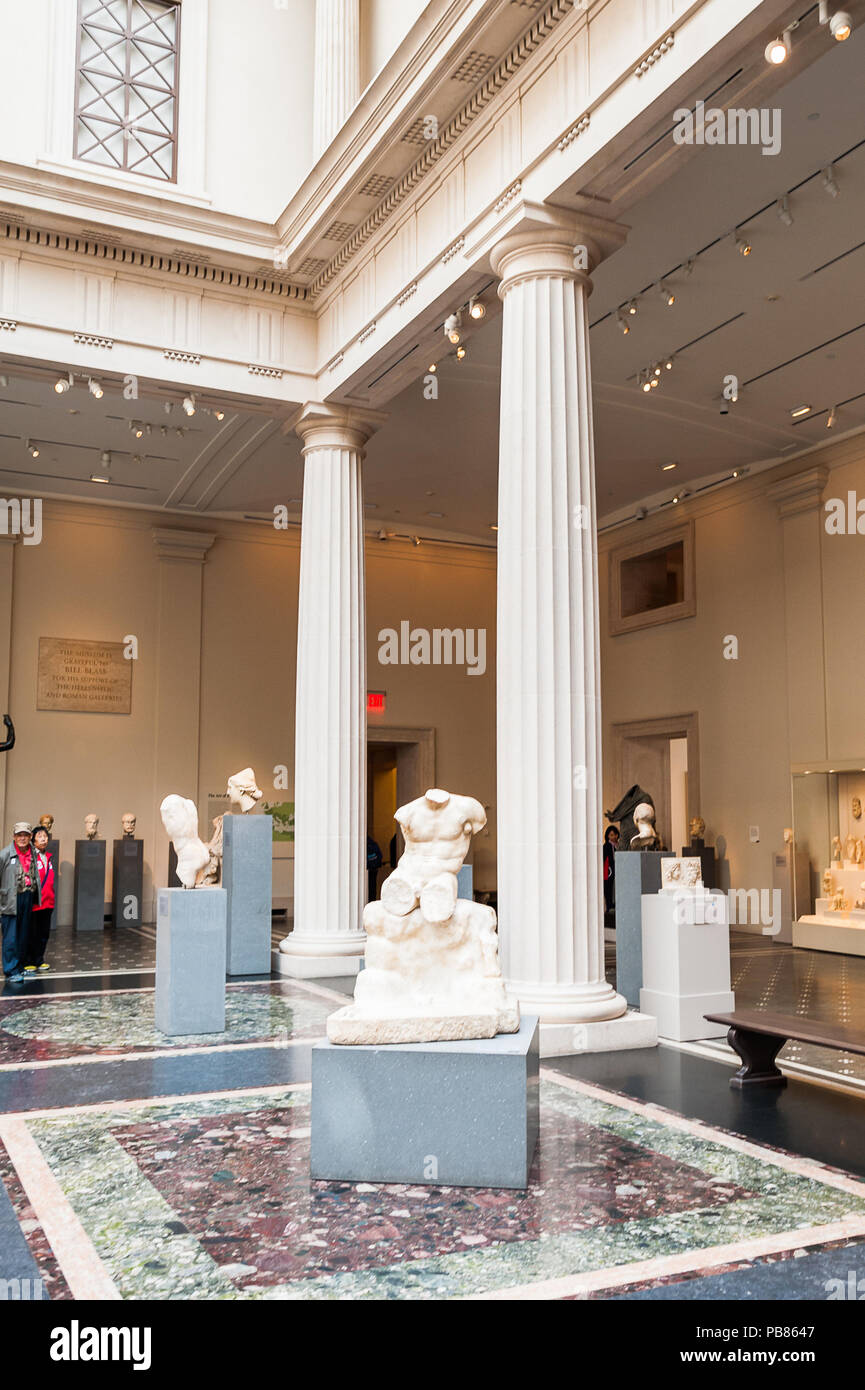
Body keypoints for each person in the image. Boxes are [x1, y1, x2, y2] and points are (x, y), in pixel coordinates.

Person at [0, 821, 42, 984]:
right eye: (19, 835)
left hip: (27, 896)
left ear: (30, 837)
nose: (22, 838)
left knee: (23, 935)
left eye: (25, 835)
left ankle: (20, 966)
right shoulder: (5, 855)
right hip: (10, 899)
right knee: (10, 937)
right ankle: (10, 970)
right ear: (14, 837)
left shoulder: (33, 852)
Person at [24, 824, 55, 973]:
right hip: (35, 903)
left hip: (48, 902)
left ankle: (39, 959)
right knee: (32, 933)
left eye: (45, 836)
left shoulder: (48, 857)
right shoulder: (30, 857)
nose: (43, 839)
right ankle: (29, 960)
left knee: (44, 933)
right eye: (40, 836)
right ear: (33, 841)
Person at [603, 825, 620, 921]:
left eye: (614, 835)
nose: (613, 837)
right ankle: (609, 907)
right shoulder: (606, 846)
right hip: (609, 872)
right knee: (609, 889)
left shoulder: (619, 845)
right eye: (611, 835)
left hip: (618, 871)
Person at [367, 835, 383, 903]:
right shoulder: (373, 844)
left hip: (369, 869)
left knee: (369, 886)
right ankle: (372, 900)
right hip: (374, 869)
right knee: (372, 887)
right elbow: (380, 856)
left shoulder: (366, 845)